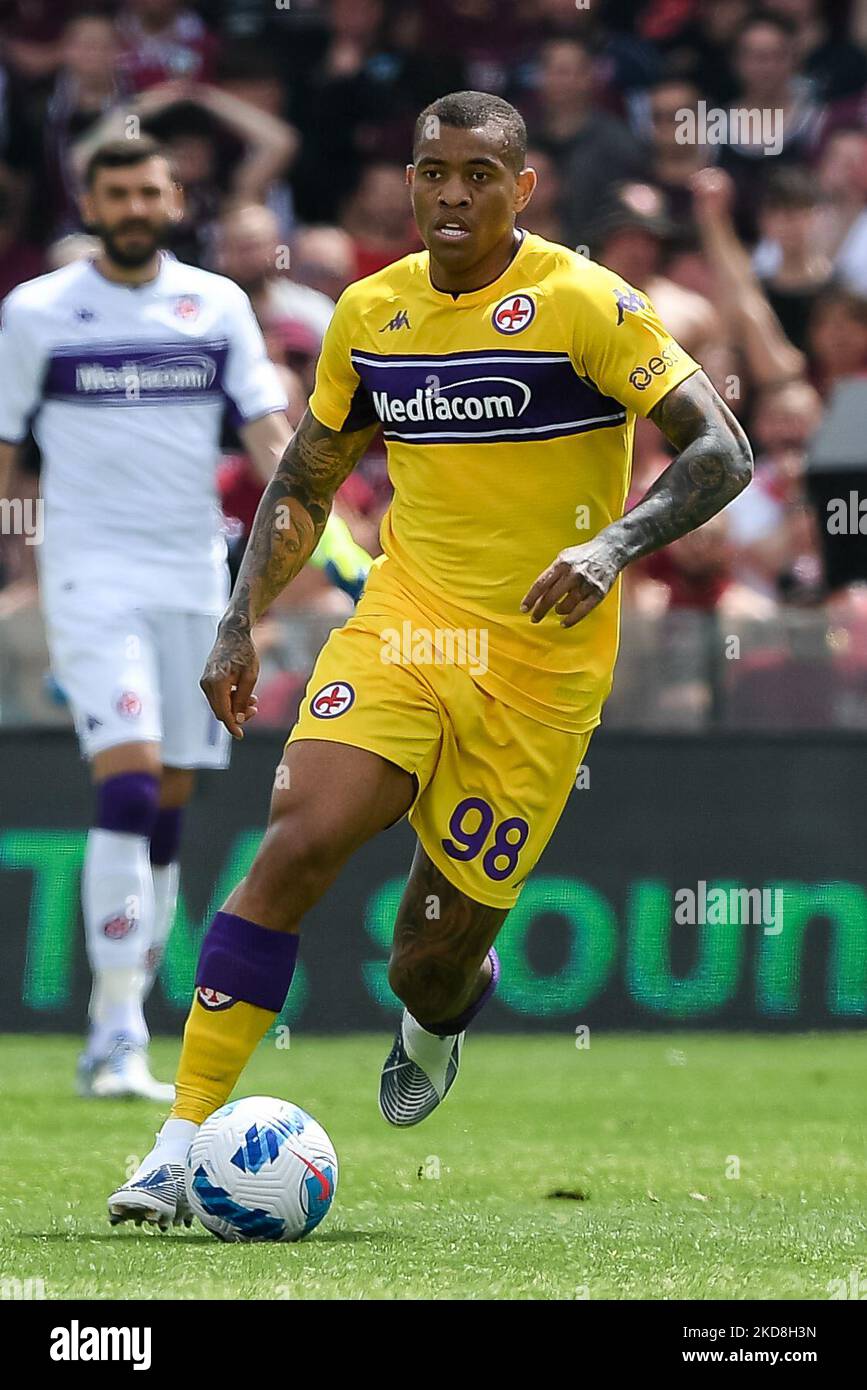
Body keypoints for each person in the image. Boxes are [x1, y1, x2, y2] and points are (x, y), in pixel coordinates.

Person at [106, 92, 751, 1230]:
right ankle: (173, 1142)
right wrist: (238, 617)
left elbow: (723, 448)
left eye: (478, 175)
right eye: (432, 172)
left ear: (522, 188)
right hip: (407, 628)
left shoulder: (585, 304)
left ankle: (445, 1009)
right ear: (409, 182)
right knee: (297, 845)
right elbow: (307, 478)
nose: (453, 194)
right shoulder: (372, 312)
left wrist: (611, 544)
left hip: (543, 670)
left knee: (426, 964)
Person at [0, 136, 291, 1100]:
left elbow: (265, 432)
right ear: (88, 198)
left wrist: (310, 515)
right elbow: (5, 448)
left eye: (148, 191)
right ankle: (116, 1034)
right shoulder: (36, 313)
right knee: (125, 787)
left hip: (192, 577)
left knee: (167, 803)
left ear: (175, 198)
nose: (132, 205)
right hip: (88, 574)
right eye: (114, 191)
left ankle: (117, 1022)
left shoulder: (218, 304)